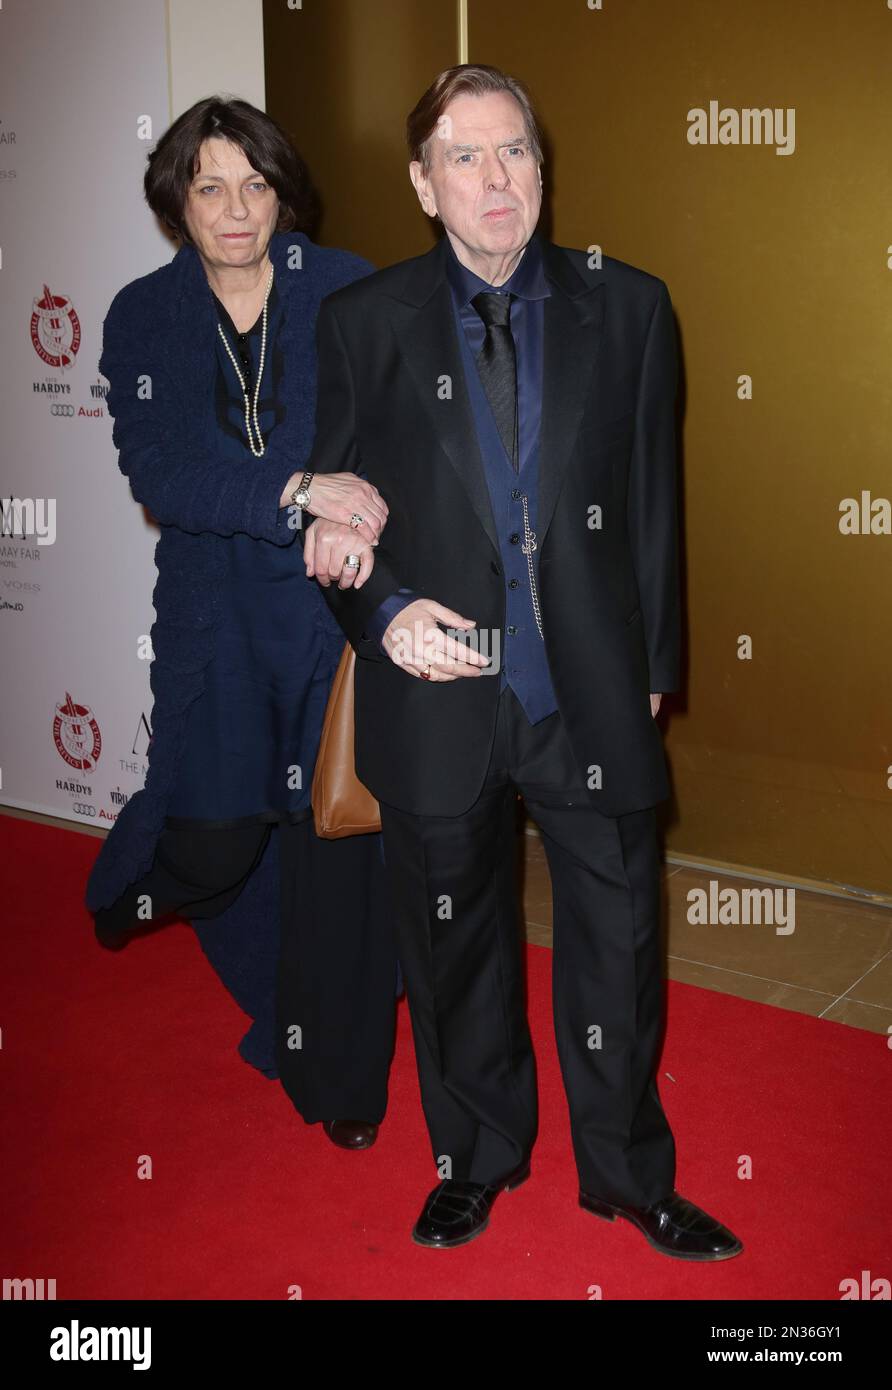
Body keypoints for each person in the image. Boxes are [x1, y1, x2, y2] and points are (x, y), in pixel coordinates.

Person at [303, 64, 744, 1255]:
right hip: (434, 687)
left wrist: (655, 661)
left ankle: (627, 1171)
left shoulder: (633, 306)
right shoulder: (361, 323)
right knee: (454, 943)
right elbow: (335, 516)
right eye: (465, 156)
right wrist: (381, 609)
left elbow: (654, 503)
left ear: (542, 169)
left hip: (588, 688)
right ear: (420, 182)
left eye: (516, 154)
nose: (496, 181)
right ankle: (476, 1155)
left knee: (619, 942)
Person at [84, 96, 398, 1150]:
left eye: (255, 184)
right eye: (209, 185)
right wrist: (295, 488)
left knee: (335, 846)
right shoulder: (142, 315)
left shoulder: (341, 285)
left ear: (283, 193)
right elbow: (162, 474)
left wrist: (359, 511)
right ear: (176, 197)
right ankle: (140, 874)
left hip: (325, 611)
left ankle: (336, 1070)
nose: (234, 208)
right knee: (217, 843)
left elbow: (387, 432)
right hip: (213, 619)